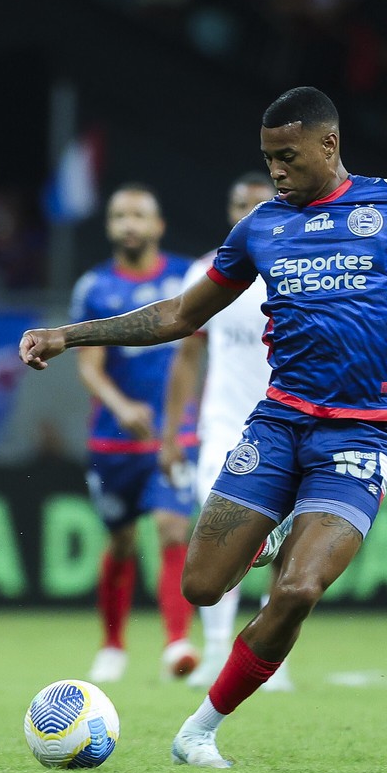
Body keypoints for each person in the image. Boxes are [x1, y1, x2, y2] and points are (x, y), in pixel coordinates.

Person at [20, 86, 387, 768]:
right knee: (200, 587)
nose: (275, 171)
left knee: (298, 589)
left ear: (327, 145)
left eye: (286, 156)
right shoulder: (261, 229)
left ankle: (199, 730)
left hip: (359, 440)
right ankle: (270, 531)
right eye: (266, 158)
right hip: (275, 429)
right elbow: (180, 316)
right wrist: (68, 335)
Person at [157, 173, 292, 692]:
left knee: (285, 541)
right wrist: (172, 435)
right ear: (230, 211)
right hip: (222, 427)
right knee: (220, 531)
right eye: (240, 204)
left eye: (260, 204)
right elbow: (187, 359)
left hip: (285, 425)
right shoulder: (206, 271)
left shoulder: (300, 268)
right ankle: (216, 651)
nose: (249, 212)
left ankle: (268, 654)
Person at [68, 185, 196, 684]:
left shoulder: (185, 278)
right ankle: (113, 646)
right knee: (121, 542)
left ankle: (177, 643)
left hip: (174, 435)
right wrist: (119, 405)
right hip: (112, 441)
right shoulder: (94, 287)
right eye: (119, 215)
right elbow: (89, 365)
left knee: (171, 527)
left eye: (139, 215)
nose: (128, 224)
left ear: (158, 225)